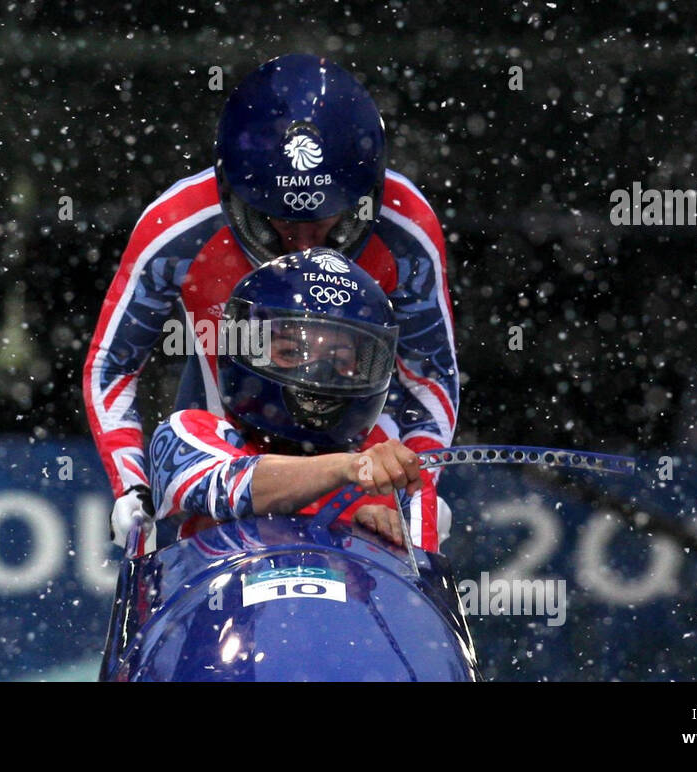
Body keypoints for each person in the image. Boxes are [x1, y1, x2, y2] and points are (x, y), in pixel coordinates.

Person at [84, 54, 458, 551]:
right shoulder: (176, 228)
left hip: (364, 462)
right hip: (227, 454)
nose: (304, 242)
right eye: (288, 349)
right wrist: (132, 489)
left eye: (341, 354)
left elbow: (430, 375)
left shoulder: (405, 228)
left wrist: (415, 497)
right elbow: (112, 363)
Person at [147, 249, 449, 548]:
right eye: (292, 353)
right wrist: (348, 470)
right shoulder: (188, 432)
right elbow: (231, 488)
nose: (319, 374)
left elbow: (419, 583)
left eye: (340, 360)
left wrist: (373, 543)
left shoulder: (394, 461)